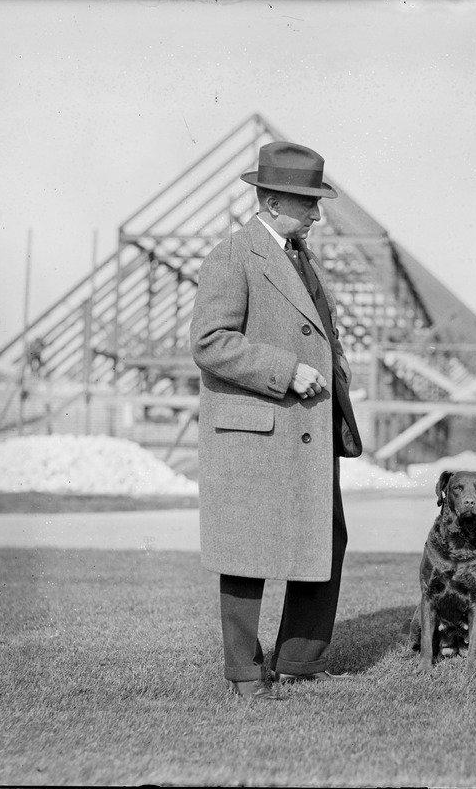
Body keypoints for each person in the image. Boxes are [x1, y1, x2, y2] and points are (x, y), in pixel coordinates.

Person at [190, 141, 363, 701]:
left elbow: (316, 329)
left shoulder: (298, 254)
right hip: (260, 432)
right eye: (308, 203)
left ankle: (299, 661)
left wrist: (336, 364)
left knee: (325, 539)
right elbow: (210, 342)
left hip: (307, 430)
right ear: (270, 202)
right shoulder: (232, 255)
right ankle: (245, 675)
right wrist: (286, 371)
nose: (317, 215)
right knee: (246, 553)